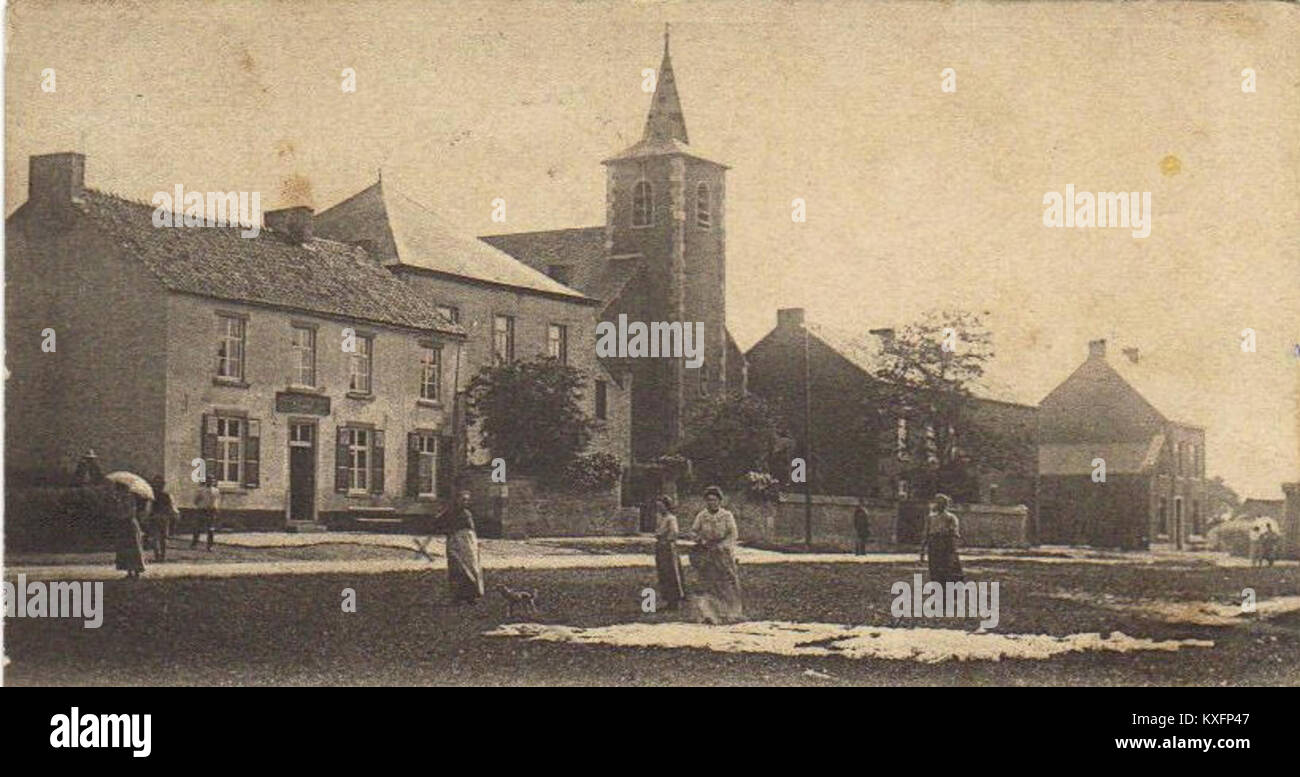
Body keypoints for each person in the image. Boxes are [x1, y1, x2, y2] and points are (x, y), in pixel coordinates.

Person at [686, 486, 745, 624]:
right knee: (708, 582)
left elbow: (733, 534)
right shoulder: (702, 515)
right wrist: (699, 540)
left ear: (720, 501)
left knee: (726, 582)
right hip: (707, 552)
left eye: (714, 500)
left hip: (723, 553)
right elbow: (693, 531)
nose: (711, 503)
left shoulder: (726, 515)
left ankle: (731, 612)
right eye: (709, 500)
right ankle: (709, 613)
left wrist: (723, 546)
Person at [441, 490, 484, 604]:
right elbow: (437, 523)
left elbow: (472, 529)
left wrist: (475, 542)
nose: (464, 502)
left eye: (467, 500)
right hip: (455, 541)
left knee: (471, 566)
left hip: (468, 542)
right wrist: (447, 530)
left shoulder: (467, 513)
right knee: (456, 567)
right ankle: (457, 595)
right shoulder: (449, 513)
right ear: (456, 500)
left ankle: (472, 595)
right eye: (462, 499)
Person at [653, 495, 686, 609]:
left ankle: (676, 600)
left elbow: (674, 533)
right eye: (657, 507)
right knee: (663, 572)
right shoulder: (660, 518)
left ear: (666, 506)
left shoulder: (671, 518)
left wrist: (666, 540)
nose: (659, 509)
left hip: (668, 547)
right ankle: (667, 599)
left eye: (661, 506)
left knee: (672, 572)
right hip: (660, 546)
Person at [922, 493, 963, 583]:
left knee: (948, 569)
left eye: (942, 503)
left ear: (946, 505)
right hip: (933, 546)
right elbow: (926, 534)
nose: (939, 505)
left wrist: (952, 547)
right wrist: (922, 550)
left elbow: (954, 533)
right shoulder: (931, 518)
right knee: (934, 568)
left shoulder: (951, 517)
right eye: (937, 503)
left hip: (946, 545)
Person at [112, 481, 146, 579]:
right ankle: (129, 571)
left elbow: (130, 512)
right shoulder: (120, 499)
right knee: (125, 548)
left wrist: (121, 512)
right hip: (124, 524)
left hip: (129, 523)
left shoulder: (129, 498)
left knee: (133, 547)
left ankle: (136, 571)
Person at [147, 476, 180, 562]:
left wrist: (147, 516)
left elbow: (149, 507)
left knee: (155, 537)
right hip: (164, 518)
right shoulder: (167, 495)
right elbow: (172, 507)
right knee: (163, 538)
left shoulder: (151, 494)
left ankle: (157, 555)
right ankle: (162, 556)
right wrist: (175, 515)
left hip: (155, 517)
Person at [193, 475, 220, 550]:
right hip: (202, 510)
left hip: (211, 511)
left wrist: (216, 509)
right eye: (209, 480)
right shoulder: (201, 490)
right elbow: (195, 501)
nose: (210, 482)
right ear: (206, 481)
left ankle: (209, 546)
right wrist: (202, 505)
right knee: (198, 527)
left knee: (211, 529)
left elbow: (217, 501)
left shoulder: (216, 491)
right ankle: (194, 543)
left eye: (212, 480)